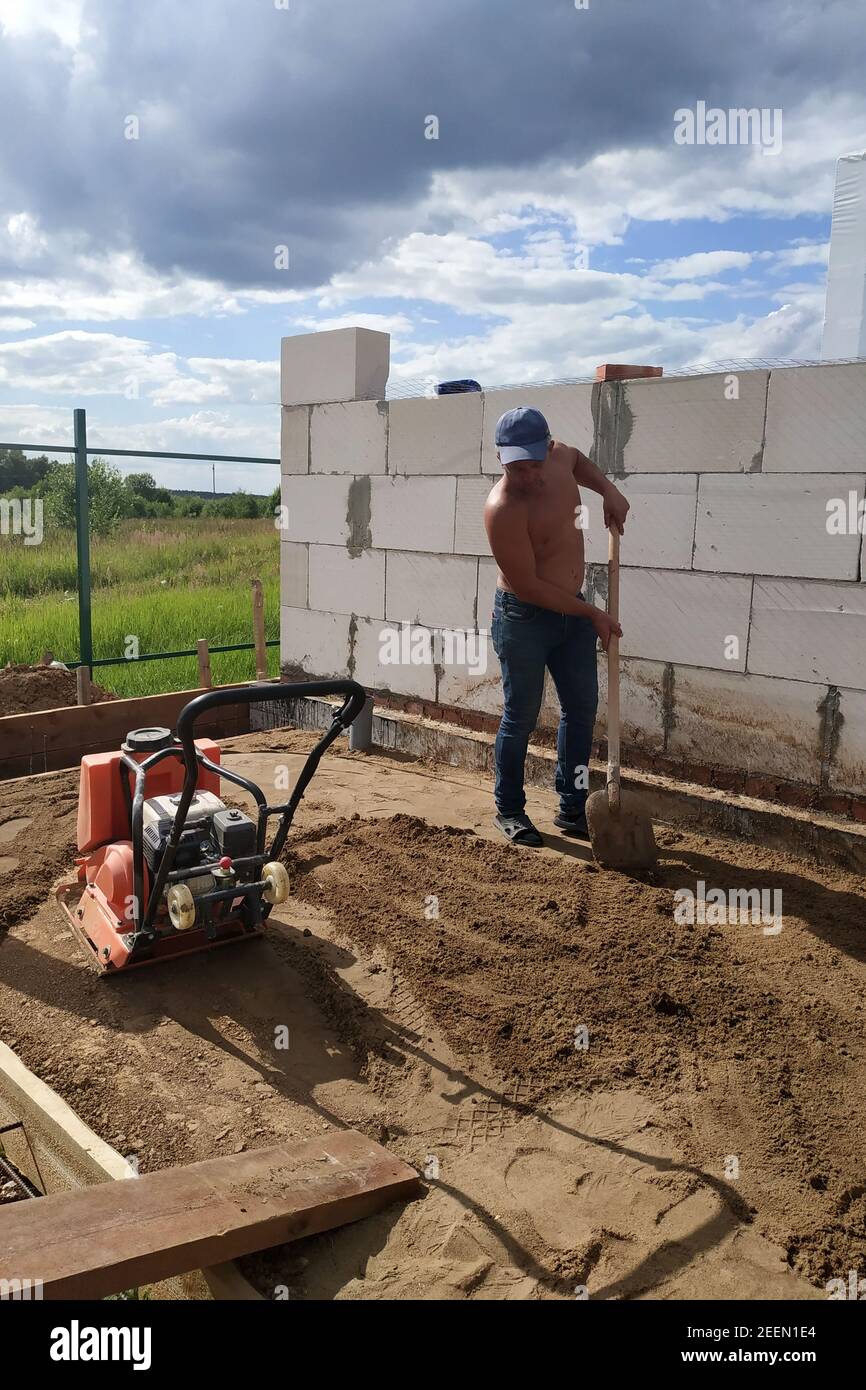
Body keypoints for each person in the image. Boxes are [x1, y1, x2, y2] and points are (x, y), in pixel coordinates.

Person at [483, 405, 629, 848]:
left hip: (574, 615)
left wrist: (608, 490)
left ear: (548, 448)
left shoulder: (561, 459)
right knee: (521, 717)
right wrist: (592, 614)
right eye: (514, 467)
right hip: (524, 619)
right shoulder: (502, 509)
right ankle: (509, 809)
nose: (525, 475)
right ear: (501, 459)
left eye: (532, 464)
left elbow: (580, 461)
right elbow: (528, 586)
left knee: (581, 709)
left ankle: (571, 807)